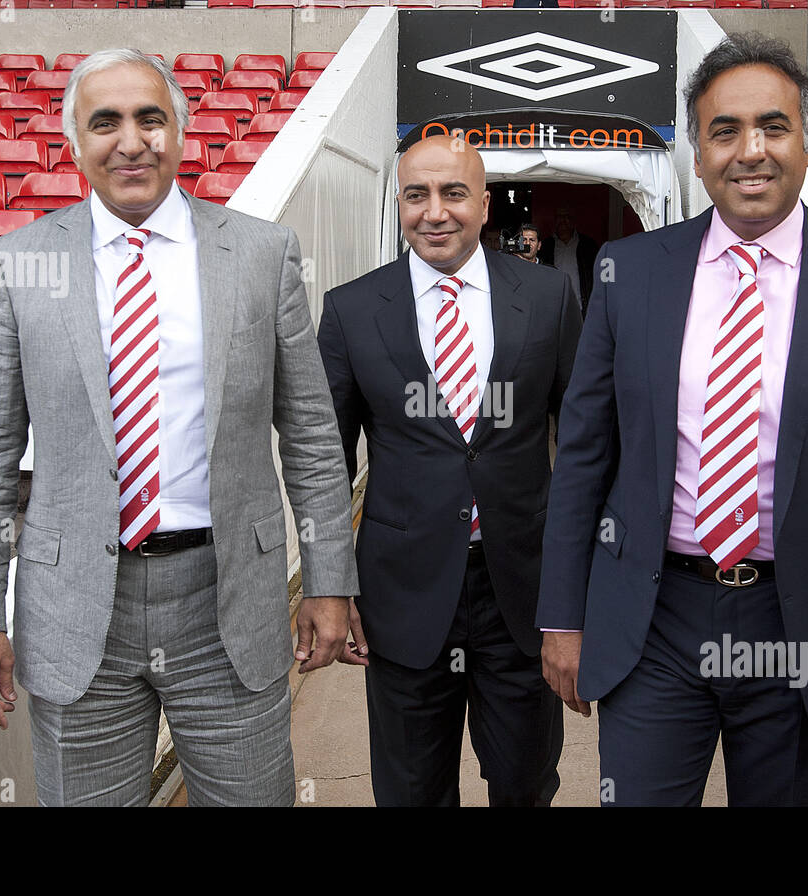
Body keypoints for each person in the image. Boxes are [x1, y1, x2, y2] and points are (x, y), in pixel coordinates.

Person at [537, 33, 808, 807]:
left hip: (807, 630)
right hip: (654, 620)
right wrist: (562, 616)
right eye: (724, 131)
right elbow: (584, 460)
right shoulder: (627, 274)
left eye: (773, 127)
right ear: (696, 155)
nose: (751, 151)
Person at [0, 49, 358, 807]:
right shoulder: (19, 263)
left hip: (225, 606)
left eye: (150, 119)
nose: (130, 141)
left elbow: (312, 440)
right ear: (75, 140)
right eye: (106, 122)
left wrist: (330, 580)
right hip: (73, 618)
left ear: (181, 133)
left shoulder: (263, 255)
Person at [318, 135, 581, 806]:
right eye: (417, 195)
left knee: (525, 784)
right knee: (411, 792)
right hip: (403, 599)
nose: (435, 212)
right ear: (399, 203)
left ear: (484, 204)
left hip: (521, 597)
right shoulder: (351, 310)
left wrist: (581, 596)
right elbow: (325, 460)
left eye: (454, 193)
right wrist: (330, 586)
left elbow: (586, 448)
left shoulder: (549, 298)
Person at [539, 209, 598, 314]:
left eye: (567, 216)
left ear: (573, 221)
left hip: (581, 309)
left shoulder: (588, 245)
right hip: (553, 308)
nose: (563, 221)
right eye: (559, 217)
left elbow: (596, 277)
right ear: (555, 221)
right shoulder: (545, 246)